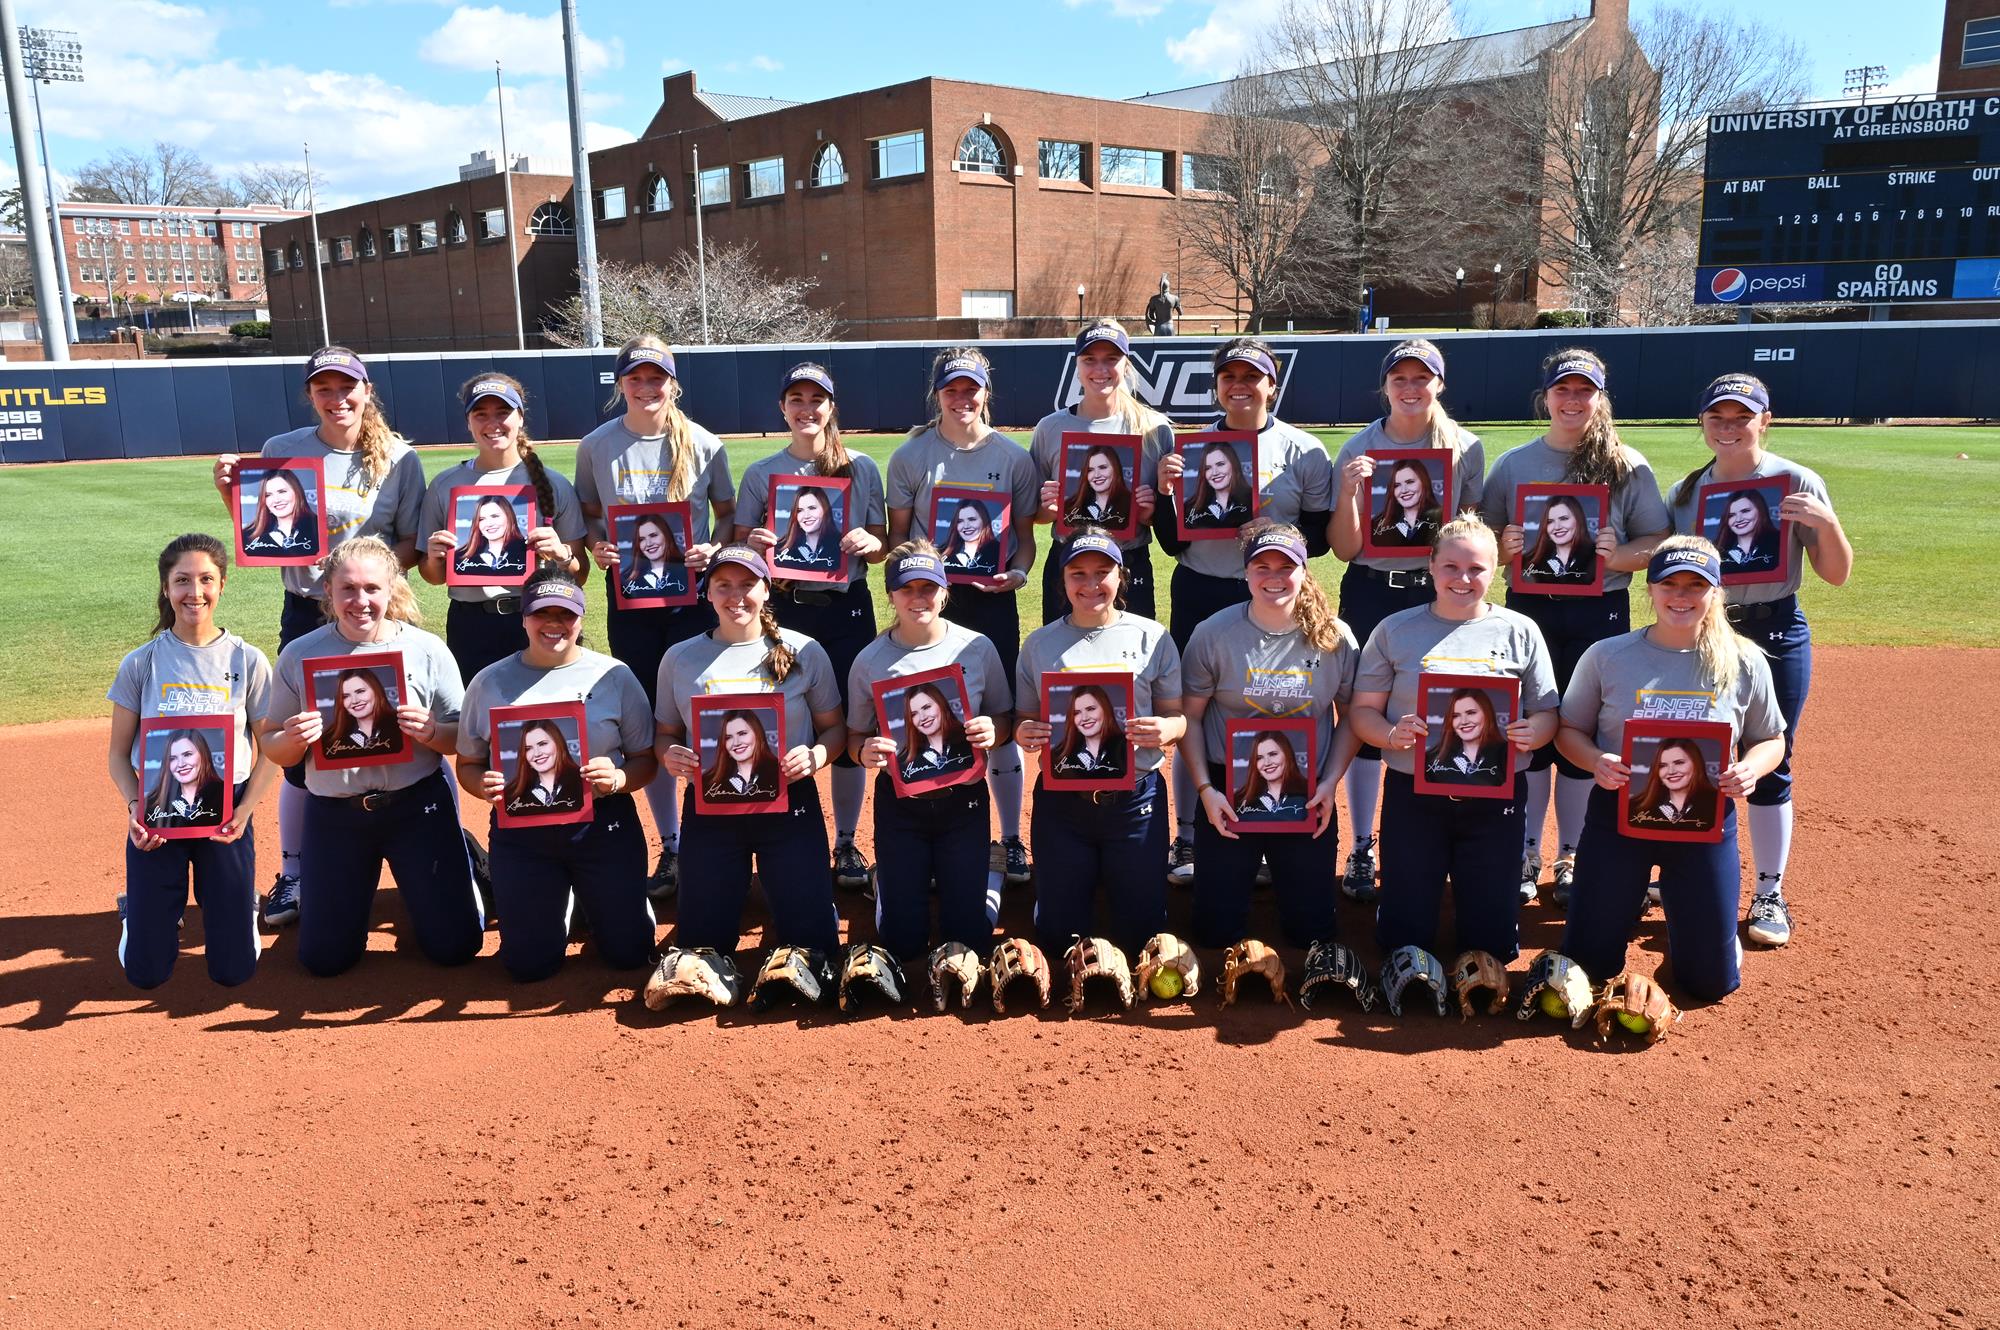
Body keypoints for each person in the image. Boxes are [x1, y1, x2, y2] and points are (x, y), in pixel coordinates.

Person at [211, 346, 426, 931]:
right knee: (306, 744)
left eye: (347, 387)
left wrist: (361, 578)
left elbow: (410, 544)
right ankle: (296, 873)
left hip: (377, 615)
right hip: (307, 613)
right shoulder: (283, 450)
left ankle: (430, 860)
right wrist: (230, 490)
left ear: (366, 389)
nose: (337, 399)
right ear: (311, 395)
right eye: (324, 389)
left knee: (404, 735)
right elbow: (259, 526)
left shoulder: (399, 459)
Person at [1479, 348, 1670, 908]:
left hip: (1599, 612)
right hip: (1528, 611)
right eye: (1563, 390)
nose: (1573, 400)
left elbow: (1658, 542)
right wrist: (1503, 545)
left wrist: (1621, 556)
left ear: (1600, 397)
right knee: (1531, 730)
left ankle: (1573, 854)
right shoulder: (1514, 464)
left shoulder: (1626, 464)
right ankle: (1526, 850)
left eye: (1584, 390)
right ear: (1546, 397)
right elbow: (1479, 536)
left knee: (1586, 731)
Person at [1557, 538, 1788, 1001]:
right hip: (1618, 820)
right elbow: (1568, 730)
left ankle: (1710, 944)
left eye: (1695, 586)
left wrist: (1750, 769)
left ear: (1716, 592)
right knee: (1588, 971)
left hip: (1704, 824)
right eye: (1669, 584)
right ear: (1650, 589)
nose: (1681, 596)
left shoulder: (1744, 660)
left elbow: (1772, 739)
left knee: (1709, 983)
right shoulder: (1608, 655)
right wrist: (1595, 760)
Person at [1667, 373, 1852, 948]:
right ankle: (1681, 865)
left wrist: (1826, 523)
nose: (1728, 427)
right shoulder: (1686, 492)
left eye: (1741, 417)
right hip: (1707, 635)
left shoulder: (1795, 480)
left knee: (1770, 755)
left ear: (1764, 420)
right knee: (1691, 748)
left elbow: (1837, 573)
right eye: (1717, 417)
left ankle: (1769, 888)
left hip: (1776, 629)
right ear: (1702, 423)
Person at [1152, 337, 1333, 888]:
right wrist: (1166, 491)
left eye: (1251, 376)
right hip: (1204, 588)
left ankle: (1273, 818)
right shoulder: (1190, 451)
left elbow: (1322, 542)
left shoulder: (1304, 450)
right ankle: (1189, 830)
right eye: (1229, 376)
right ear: (1217, 385)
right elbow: (1167, 541)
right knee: (1198, 713)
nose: (1239, 386)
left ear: (1271, 385)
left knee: (1277, 705)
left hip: (1279, 595)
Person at [261, 536, 483, 977]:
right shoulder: (300, 654)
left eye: (372, 589)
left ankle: (464, 870)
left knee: (455, 948)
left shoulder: (426, 649)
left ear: (392, 589)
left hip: (416, 807)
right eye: (348, 589)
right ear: (328, 590)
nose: (360, 601)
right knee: (325, 959)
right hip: (335, 814)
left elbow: (464, 739)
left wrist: (433, 731)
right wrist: (294, 739)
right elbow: (270, 743)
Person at [1350, 514, 1560, 965]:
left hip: (1495, 796)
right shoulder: (1395, 629)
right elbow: (1361, 712)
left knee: (1490, 946)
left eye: (1477, 569)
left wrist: (1532, 733)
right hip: (1415, 792)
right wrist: (1390, 734)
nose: (1463, 579)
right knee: (1404, 940)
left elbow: (1548, 713)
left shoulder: (1520, 630)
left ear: (1495, 569)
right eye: (1450, 567)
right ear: (1430, 566)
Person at [578, 336, 736, 901]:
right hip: (631, 601)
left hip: (692, 599)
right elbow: (591, 517)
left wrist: (712, 551)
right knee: (650, 722)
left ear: (674, 384)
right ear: (620, 384)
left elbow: (727, 517)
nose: (647, 388)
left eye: (657, 378)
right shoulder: (597, 445)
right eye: (636, 378)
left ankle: (714, 826)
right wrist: (600, 549)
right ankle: (672, 845)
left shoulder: (703, 444)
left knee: (699, 714)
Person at [1330, 339, 1483, 905]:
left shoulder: (1464, 447)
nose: (1411, 387)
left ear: (1439, 385)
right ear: (1386, 385)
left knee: (1444, 711)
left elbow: (1470, 540)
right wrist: (1349, 491)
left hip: (1437, 595)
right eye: (1401, 377)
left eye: (1423, 378)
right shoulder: (1359, 446)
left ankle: (1437, 842)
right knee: (1369, 715)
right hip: (1371, 590)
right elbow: (1344, 549)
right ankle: (1364, 845)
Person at [887, 347, 1041, 887]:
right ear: (937, 395)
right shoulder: (912, 456)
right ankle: (936, 830)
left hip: (991, 600)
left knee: (995, 721)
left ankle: (1011, 840)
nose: (962, 399)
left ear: (985, 393)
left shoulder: (1014, 457)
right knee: (928, 713)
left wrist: (1017, 576)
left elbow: (1024, 543)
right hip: (929, 605)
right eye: (951, 389)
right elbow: (899, 541)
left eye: (971, 389)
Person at [457, 573, 660, 982]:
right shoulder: (489, 681)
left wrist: (619, 778)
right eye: (541, 613)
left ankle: (607, 899)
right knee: (529, 965)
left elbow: (645, 760)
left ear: (581, 619)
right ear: (524, 619)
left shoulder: (614, 676)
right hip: (524, 835)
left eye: (565, 614)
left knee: (630, 954)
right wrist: (481, 785)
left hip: (602, 826)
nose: (554, 623)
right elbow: (467, 763)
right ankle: (563, 899)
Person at [734, 363, 887, 893]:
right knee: (784, 721)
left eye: (816, 399)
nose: (806, 408)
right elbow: (736, 548)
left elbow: (883, 539)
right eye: (795, 398)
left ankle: (845, 842)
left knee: (847, 724)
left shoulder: (861, 466)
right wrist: (752, 544)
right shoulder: (761, 474)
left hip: (846, 607)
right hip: (783, 611)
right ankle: (778, 833)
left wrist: (872, 543)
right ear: (782, 407)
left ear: (831, 406)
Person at [654, 545, 846, 962]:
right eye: (723, 585)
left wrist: (814, 755)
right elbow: (665, 732)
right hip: (711, 809)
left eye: (747, 584)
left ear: (766, 590)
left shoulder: (804, 651)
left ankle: (812, 903)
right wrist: (671, 755)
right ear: (707, 593)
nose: (735, 596)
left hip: (789, 804)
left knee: (812, 946)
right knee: (701, 947)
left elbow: (834, 729)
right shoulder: (679, 658)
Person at [108, 533, 276, 988]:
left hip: (227, 812)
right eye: (182, 580)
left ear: (222, 585)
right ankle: (136, 916)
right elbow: (119, 755)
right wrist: (133, 808)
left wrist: (243, 813)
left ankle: (244, 905)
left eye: (206, 580)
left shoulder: (248, 660)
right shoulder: (141, 663)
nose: (194, 592)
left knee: (233, 972)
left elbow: (271, 753)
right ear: (166, 588)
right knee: (145, 974)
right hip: (157, 811)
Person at [1179, 522, 1357, 949]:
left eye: (1285, 566)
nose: (1273, 576)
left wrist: (1330, 783)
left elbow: (1352, 716)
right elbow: (1191, 718)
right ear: (1246, 572)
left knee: (1311, 932)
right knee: (1214, 932)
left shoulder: (1334, 637)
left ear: (1304, 570)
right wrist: (1205, 790)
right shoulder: (1213, 633)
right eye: (1262, 566)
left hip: (1305, 791)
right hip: (1228, 790)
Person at [1015, 531, 1184, 962]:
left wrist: (1166, 729)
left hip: (1134, 801)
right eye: (1078, 573)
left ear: (1121, 576)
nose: (1091, 584)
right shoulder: (1039, 645)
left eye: (1102, 572)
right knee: (1058, 939)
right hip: (1062, 805)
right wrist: (1025, 732)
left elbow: (1178, 716)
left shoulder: (1152, 636)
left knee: (1142, 935)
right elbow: (1023, 718)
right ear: (1063, 580)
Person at [847, 543, 1012, 964]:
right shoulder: (869, 660)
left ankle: (989, 872)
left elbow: (1004, 716)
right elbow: (854, 736)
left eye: (928, 587)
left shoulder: (977, 647)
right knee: (904, 943)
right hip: (902, 807)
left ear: (944, 591)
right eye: (907, 589)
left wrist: (993, 729)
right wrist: (864, 751)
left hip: (965, 803)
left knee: (969, 939)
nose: (918, 598)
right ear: (890, 595)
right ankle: (888, 880)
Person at [419, 374, 590, 684]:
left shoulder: (553, 484)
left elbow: (581, 572)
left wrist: (561, 554)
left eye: (503, 412)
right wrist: (433, 558)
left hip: (540, 615)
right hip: (470, 623)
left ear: (520, 417)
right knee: (478, 718)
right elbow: (432, 577)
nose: (492, 422)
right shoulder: (445, 485)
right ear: (468, 422)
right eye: (480, 414)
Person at [1029, 320, 1168, 622]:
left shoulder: (1155, 429)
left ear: (1126, 364)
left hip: (1129, 561)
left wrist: (1149, 514)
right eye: (1090, 360)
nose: (1100, 369)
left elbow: (1170, 522)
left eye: (1111, 359)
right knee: (1062, 659)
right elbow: (1034, 515)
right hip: (1068, 559)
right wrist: (1048, 509)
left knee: (1131, 664)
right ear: (1077, 365)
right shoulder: (1050, 428)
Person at [1628, 737, 1719, 831]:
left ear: (1696, 764)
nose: (1671, 771)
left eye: (1679, 763)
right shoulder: (1634, 807)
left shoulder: (1718, 805)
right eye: (1662, 766)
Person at [1423, 688, 1510, 786]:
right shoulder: (1430, 758)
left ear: (1487, 714)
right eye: (1456, 715)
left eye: (1471, 713)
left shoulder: (1508, 754)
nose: (1464, 721)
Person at [503, 719, 587, 815]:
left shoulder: (584, 783)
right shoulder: (511, 794)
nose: (537, 753)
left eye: (542, 744)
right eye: (528, 749)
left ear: (558, 743)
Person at [321, 667, 406, 758]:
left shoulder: (402, 726)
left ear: (376, 691)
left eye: (360, 691)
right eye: (346, 696)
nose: (354, 701)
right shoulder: (329, 740)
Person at [900, 682, 976, 783]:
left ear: (941, 705)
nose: (923, 717)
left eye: (926, 707)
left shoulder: (971, 741)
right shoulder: (902, 760)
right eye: (914, 714)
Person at [1049, 684, 1129, 778]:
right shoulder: (1058, 755)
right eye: (1076, 713)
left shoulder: (1127, 747)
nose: (1084, 718)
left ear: (1105, 709)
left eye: (1091, 709)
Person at [702, 711, 784, 802]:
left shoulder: (780, 774)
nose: (736, 743)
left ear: (758, 735)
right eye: (728, 737)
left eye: (742, 733)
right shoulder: (707, 783)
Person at [241, 468, 318, 556]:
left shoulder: (319, 528)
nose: (276, 500)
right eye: (268, 495)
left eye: (282, 492)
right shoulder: (247, 536)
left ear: (297, 493)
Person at [1521, 494, 1595, 584]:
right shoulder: (1530, 562)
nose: (1557, 527)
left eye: (1564, 519)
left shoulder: (1596, 555)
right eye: (1550, 521)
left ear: (1578, 520)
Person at [1235, 733, 1310, 820]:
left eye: (1273, 754)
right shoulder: (1239, 800)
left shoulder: (1309, 794)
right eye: (1259, 758)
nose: (1267, 763)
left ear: (1287, 755)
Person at [1369, 458, 1442, 547]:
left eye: (1410, 482)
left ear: (1424, 482)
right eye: (1397, 485)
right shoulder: (1377, 525)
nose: (1403, 490)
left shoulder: (1443, 518)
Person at [1183, 441, 1256, 530]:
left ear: (1234, 465)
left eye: (1220, 464)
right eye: (1208, 468)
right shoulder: (1189, 508)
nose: (1214, 472)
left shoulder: (1254, 500)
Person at [771, 487, 843, 575]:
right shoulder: (779, 549)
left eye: (812, 508)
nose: (806, 516)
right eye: (799, 510)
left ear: (825, 510)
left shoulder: (842, 545)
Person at [1065, 444, 1134, 530]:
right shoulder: (1069, 506)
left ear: (1115, 469)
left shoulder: (1132, 504)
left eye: (1102, 467)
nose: (1096, 475)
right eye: (1090, 470)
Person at [454, 498, 529, 576]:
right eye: (481, 519)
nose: (489, 524)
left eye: (494, 516)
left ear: (509, 517)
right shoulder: (460, 557)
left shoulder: (529, 551)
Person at [1715, 489, 1781, 573]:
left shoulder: (1779, 543)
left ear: (1760, 511)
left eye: (1745, 511)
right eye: (1731, 515)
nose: (1738, 519)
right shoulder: (1715, 551)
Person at [622, 512, 686, 598]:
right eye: (641, 539)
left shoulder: (687, 569)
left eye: (653, 535)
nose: (648, 543)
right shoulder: (626, 578)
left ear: (666, 536)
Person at [940, 498, 1004, 575]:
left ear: (984, 521)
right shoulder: (940, 553)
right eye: (960, 521)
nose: (966, 526)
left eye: (972, 519)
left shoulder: (998, 552)